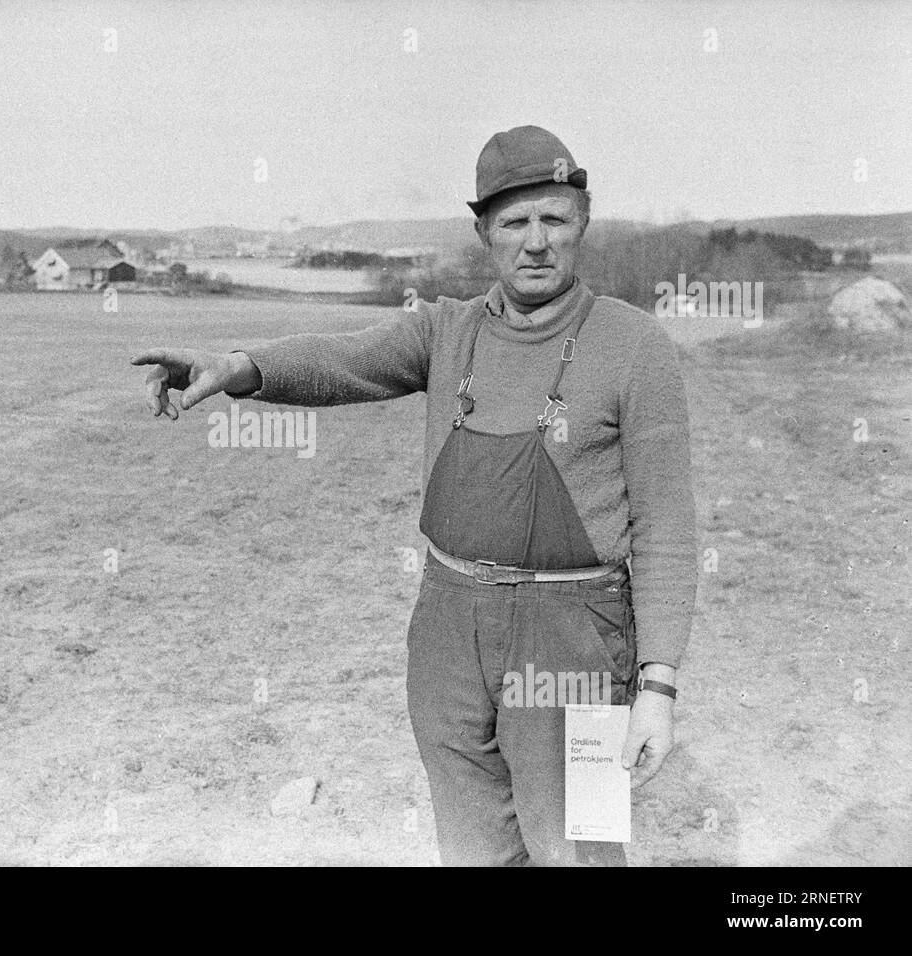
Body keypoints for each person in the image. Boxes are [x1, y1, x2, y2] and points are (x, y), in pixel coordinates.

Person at [132, 126, 697, 866]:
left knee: (579, 849)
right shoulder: (448, 332)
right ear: (483, 233)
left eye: (554, 219)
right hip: (447, 628)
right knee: (471, 850)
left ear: (583, 223)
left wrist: (657, 685)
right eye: (514, 222)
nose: (536, 242)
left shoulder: (635, 346)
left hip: (575, 635)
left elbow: (666, 527)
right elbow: (343, 360)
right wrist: (236, 365)